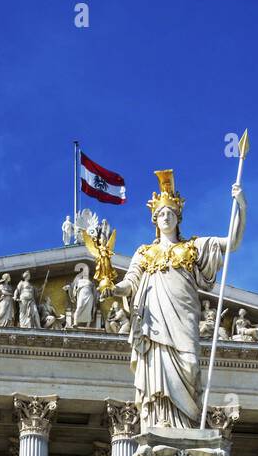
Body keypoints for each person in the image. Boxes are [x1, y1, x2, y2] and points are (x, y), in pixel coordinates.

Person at [99, 169, 245, 430]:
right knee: (156, 374)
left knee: (190, 365)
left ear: (178, 218)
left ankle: (186, 427)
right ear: (155, 220)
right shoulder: (144, 253)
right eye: (161, 214)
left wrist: (241, 206)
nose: (165, 217)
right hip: (154, 324)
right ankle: (160, 424)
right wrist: (113, 289)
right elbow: (130, 283)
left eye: (171, 214)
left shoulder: (192, 247)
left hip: (183, 320)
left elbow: (232, 243)